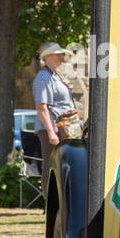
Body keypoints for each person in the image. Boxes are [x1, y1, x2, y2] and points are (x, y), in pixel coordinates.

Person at [32, 41, 78, 177]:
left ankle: (60, 197)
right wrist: (51, 133)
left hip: (62, 128)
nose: (62, 56)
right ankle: (49, 197)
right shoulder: (43, 78)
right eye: (58, 54)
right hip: (52, 129)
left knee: (60, 166)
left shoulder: (53, 75)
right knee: (51, 166)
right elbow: (41, 107)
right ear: (48, 56)